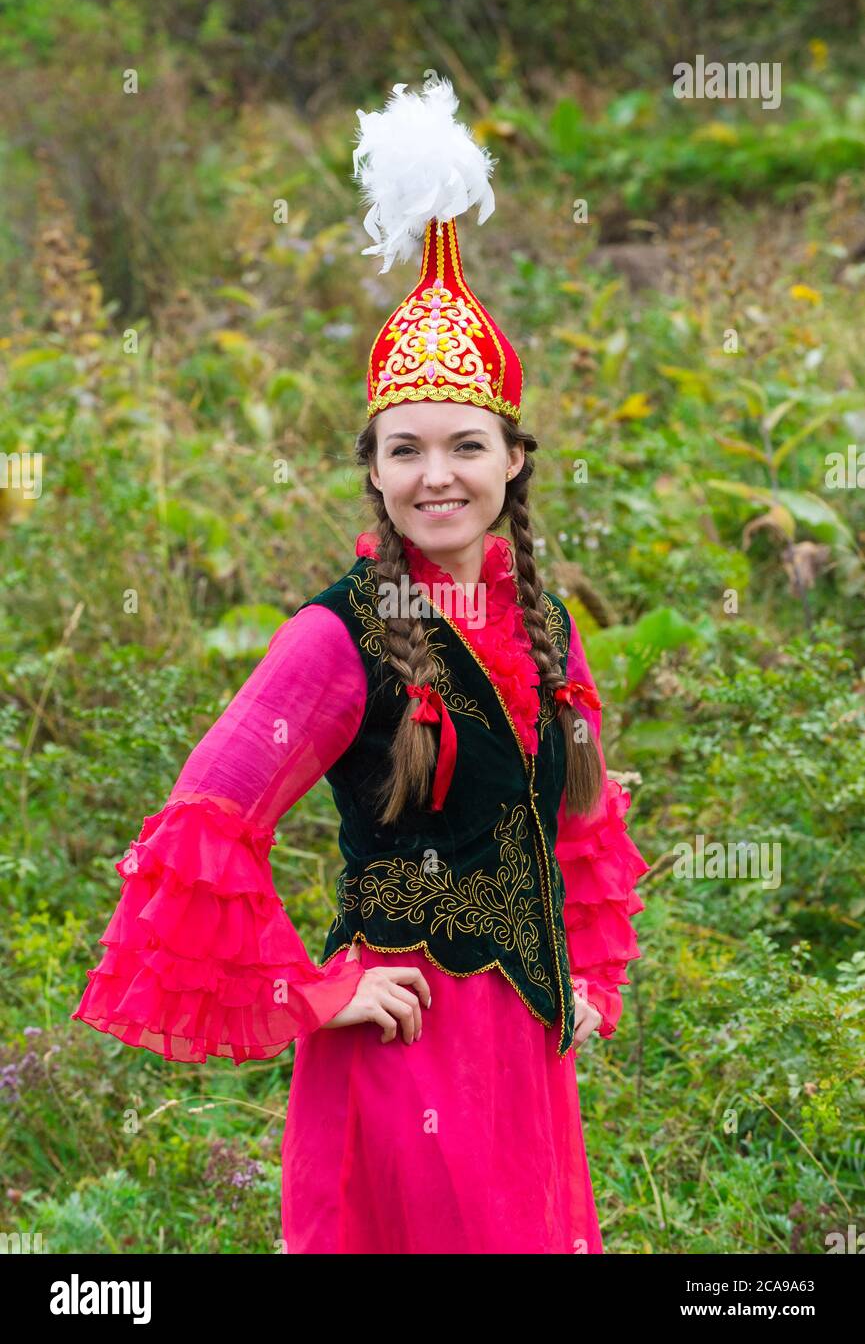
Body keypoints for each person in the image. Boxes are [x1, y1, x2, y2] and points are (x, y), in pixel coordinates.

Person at [72, 77, 648, 1254]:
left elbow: (574, 820)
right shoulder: (335, 636)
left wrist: (583, 970)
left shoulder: (546, 625)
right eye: (405, 449)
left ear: (513, 461)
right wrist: (322, 992)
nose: (437, 473)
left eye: (465, 445)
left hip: (523, 1059)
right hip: (403, 1049)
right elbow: (198, 825)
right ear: (373, 469)